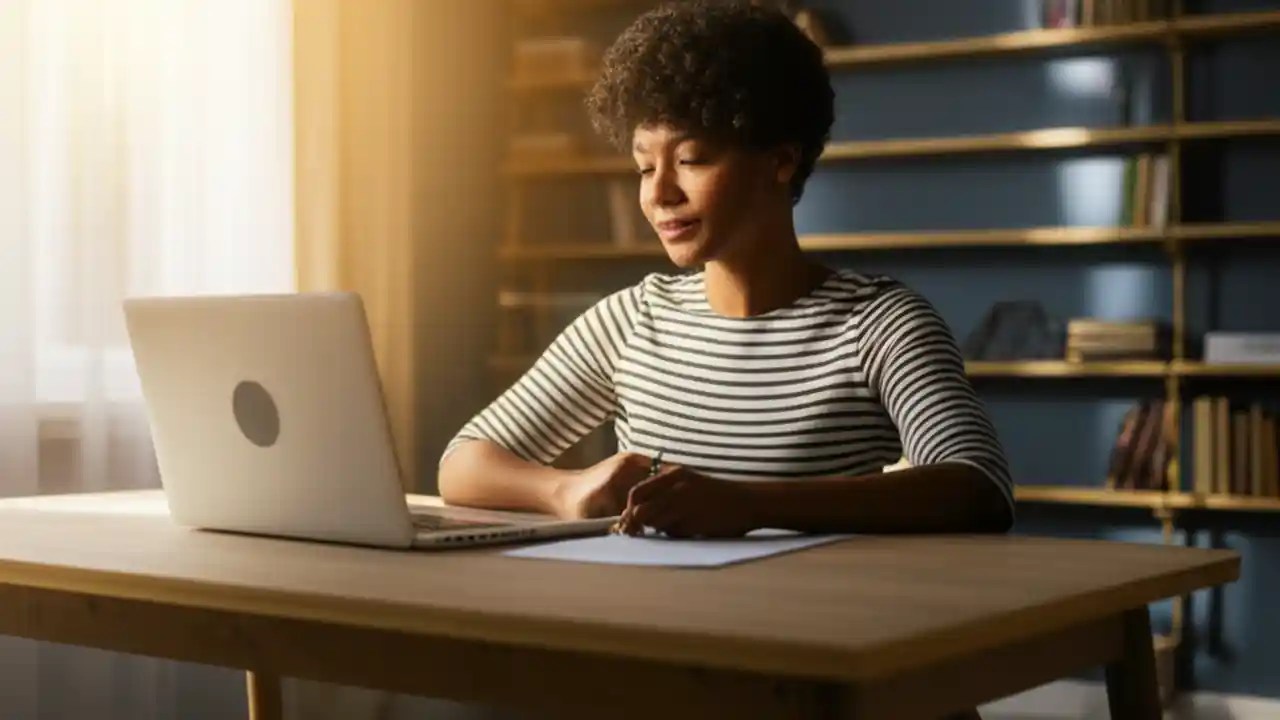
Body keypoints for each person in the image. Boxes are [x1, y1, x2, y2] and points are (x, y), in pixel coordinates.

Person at [438, 0, 1013, 540]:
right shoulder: (633, 321)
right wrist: (565, 490)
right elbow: (462, 464)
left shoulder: (877, 324)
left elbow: (978, 488)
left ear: (781, 161)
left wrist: (751, 504)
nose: (660, 193)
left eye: (692, 160)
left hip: (808, 631)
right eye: (643, 167)